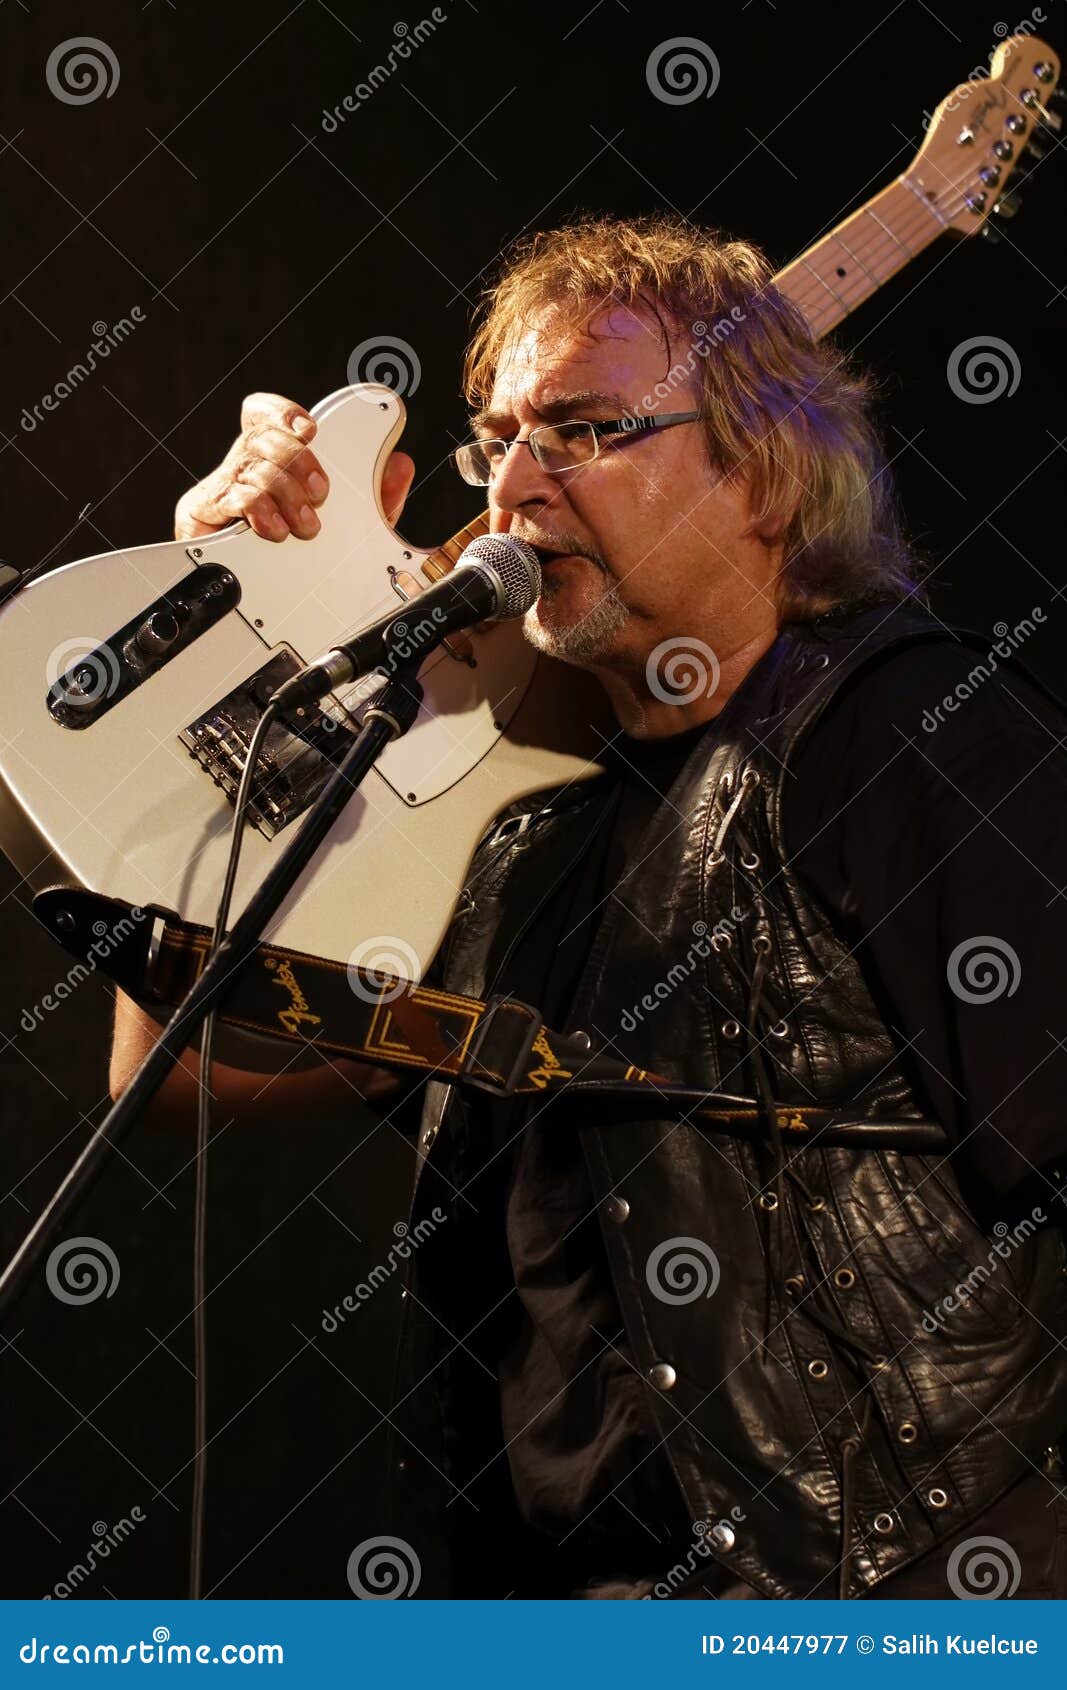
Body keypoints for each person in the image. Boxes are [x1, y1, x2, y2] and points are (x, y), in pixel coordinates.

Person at [111, 215, 1067, 1600]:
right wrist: (219, 629)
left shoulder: (913, 733)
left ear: (767, 467)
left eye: (581, 430)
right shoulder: (518, 831)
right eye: (494, 438)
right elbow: (180, 1064)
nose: (513, 483)